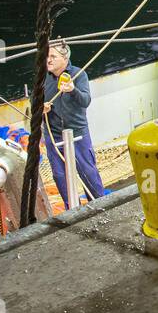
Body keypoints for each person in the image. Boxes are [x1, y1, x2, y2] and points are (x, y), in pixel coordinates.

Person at [40, 39, 106, 205]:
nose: (48, 60)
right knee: (60, 176)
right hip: (54, 135)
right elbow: (34, 104)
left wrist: (73, 90)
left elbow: (85, 101)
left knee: (87, 172)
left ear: (65, 58)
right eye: (47, 56)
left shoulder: (79, 74)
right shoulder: (42, 79)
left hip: (77, 133)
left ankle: (99, 204)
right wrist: (41, 109)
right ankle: (72, 210)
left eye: (53, 56)